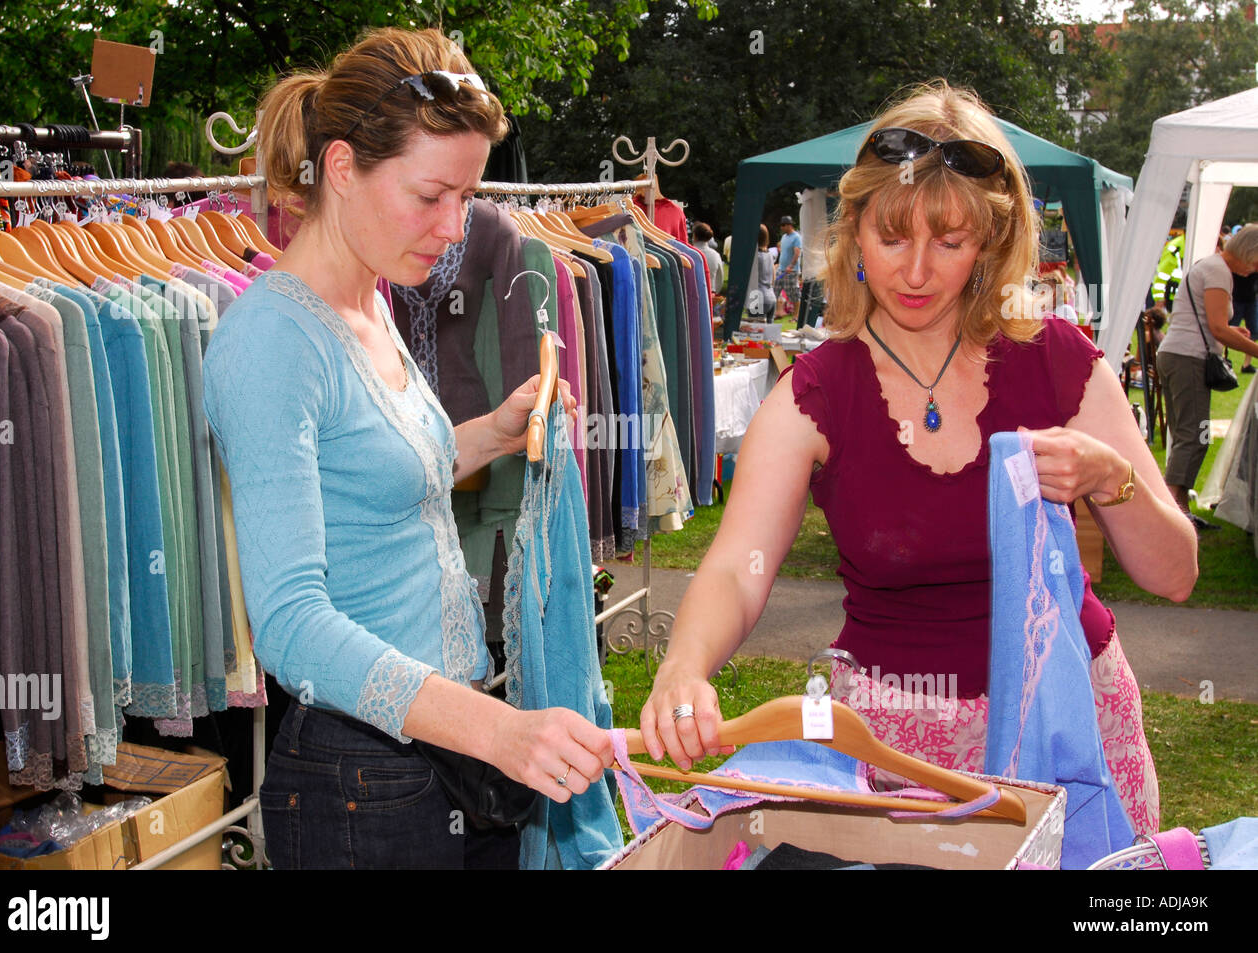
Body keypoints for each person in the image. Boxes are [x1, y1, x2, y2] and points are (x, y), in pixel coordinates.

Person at [639, 81, 1199, 839]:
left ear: (993, 242)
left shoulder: (1060, 362)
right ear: (855, 230)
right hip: (897, 750)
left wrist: (1113, 478)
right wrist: (683, 668)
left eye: (950, 242)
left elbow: (1174, 575)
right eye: (893, 236)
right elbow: (738, 568)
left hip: (1071, 721)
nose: (915, 271)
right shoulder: (816, 394)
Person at [201, 27, 613, 869]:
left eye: (467, 197)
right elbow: (289, 626)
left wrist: (495, 432)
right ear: (343, 169)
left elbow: (376, 485)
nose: (454, 226)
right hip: (363, 778)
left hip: (435, 746)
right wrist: (497, 729)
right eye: (433, 195)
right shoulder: (273, 342)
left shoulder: (370, 298)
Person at [1157, 223, 1258, 527]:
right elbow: (1216, 327)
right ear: (1248, 251)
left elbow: (1211, 324)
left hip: (1178, 355)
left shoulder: (1209, 266)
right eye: (1255, 262)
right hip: (1189, 360)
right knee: (1197, 435)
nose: (1254, 270)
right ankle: (1174, 511)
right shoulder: (1218, 272)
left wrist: (1233, 333)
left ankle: (1174, 506)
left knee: (1187, 434)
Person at [745, 223, 776, 318]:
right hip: (771, 296)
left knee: (755, 330)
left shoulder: (754, 257)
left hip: (757, 297)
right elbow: (773, 278)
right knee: (769, 332)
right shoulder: (770, 255)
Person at [775, 214, 803, 319]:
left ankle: (796, 316)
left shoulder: (796, 237)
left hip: (791, 271)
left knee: (793, 294)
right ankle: (778, 312)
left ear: (789, 225)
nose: (781, 227)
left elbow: (797, 253)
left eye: (783, 225)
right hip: (781, 270)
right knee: (775, 291)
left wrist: (791, 266)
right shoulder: (784, 237)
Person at [693, 220, 724, 295]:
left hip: (690, 294)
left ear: (694, 236)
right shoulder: (716, 255)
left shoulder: (688, 253)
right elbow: (720, 278)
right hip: (710, 294)